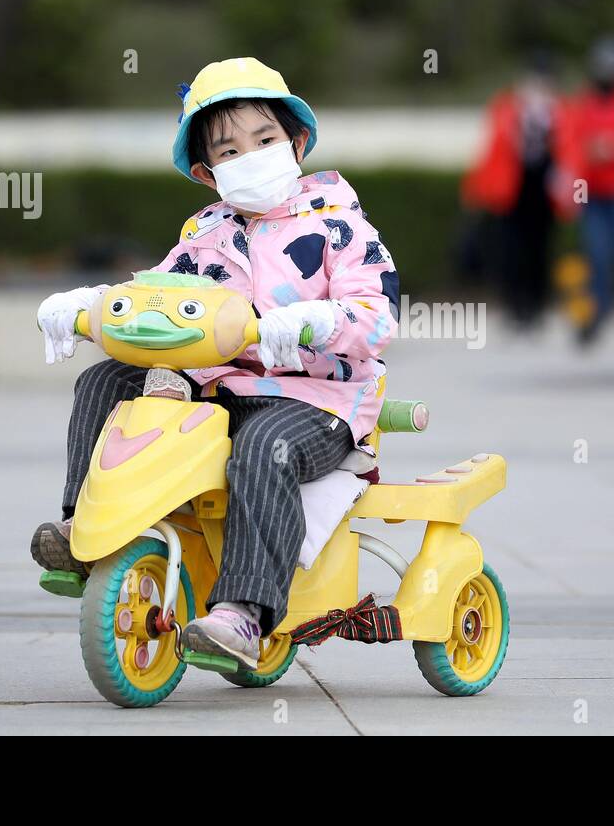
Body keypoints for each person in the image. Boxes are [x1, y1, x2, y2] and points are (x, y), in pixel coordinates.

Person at [30, 57, 398, 669]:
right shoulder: (205, 234)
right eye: (228, 151)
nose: (249, 155)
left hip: (317, 402)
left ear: (296, 142)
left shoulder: (340, 227)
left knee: (264, 445)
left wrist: (319, 320)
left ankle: (244, 614)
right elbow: (157, 302)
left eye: (264, 139)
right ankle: (83, 527)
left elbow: (378, 312)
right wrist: (90, 307)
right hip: (219, 387)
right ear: (207, 172)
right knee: (106, 380)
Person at [558, 35, 614, 340]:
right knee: (597, 254)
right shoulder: (581, 103)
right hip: (593, 194)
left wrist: (611, 147)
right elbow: (572, 144)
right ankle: (598, 312)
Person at [461, 55, 563, 328]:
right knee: (511, 252)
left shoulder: (560, 112)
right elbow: (493, 150)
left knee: (539, 251)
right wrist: (478, 191)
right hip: (511, 194)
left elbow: (567, 151)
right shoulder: (507, 108)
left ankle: (537, 305)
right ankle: (515, 306)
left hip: (542, 194)